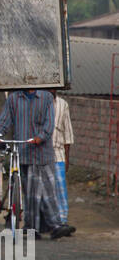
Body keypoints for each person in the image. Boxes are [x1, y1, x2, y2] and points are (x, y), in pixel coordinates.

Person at [0, 87, 73, 238]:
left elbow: (49, 125)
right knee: (31, 193)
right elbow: (4, 121)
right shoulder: (14, 99)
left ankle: (52, 225)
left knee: (48, 191)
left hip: (43, 153)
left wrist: (40, 137)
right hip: (24, 153)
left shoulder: (46, 98)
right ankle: (33, 227)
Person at [51, 91, 75, 230]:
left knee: (60, 186)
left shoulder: (62, 104)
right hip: (42, 153)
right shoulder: (39, 103)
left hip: (58, 152)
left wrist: (67, 158)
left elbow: (68, 133)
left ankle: (62, 220)